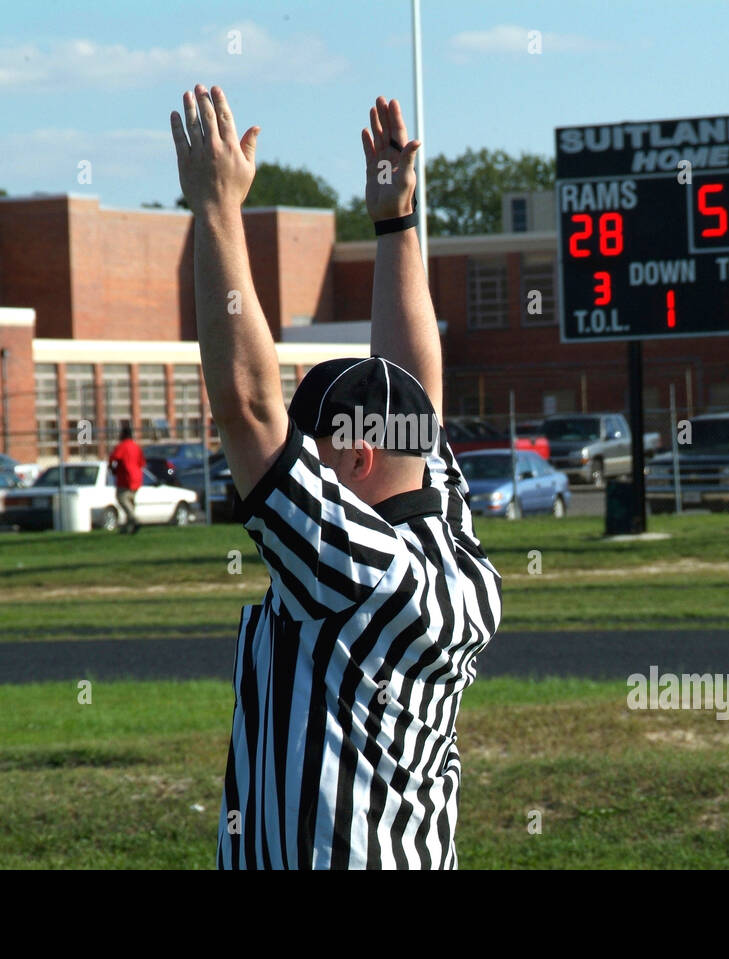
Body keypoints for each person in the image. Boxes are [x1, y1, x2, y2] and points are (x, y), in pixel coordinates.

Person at [172, 85, 501, 869]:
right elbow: (413, 382)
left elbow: (247, 407)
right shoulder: (454, 549)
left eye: (309, 444)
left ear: (356, 457)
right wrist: (395, 222)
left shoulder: (358, 573)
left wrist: (217, 210)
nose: (293, 458)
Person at [108, 424, 146, 534]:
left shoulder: (122, 446)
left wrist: (112, 469)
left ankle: (135, 520)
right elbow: (142, 463)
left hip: (125, 477)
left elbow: (113, 459)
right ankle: (128, 528)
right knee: (131, 502)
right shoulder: (136, 447)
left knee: (122, 498)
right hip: (137, 478)